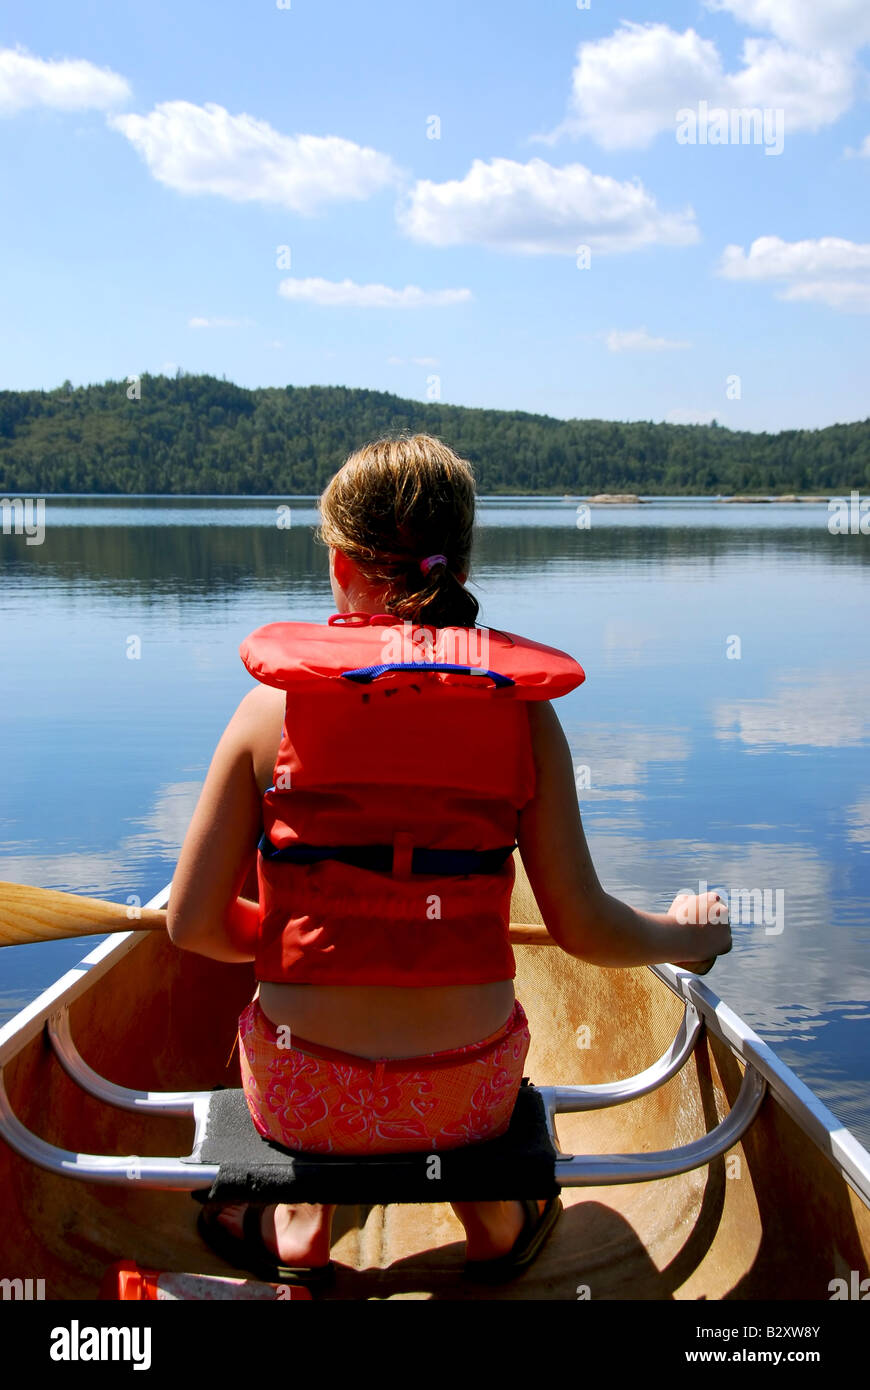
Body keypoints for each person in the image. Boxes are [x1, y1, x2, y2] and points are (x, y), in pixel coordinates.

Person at [167, 433, 731, 1287]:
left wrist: (303, 937)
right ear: (461, 562)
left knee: (269, 1023)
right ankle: (495, 1219)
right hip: (467, 1099)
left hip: (302, 1095)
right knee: (486, 1062)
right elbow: (585, 927)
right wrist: (680, 934)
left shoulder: (269, 711)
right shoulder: (522, 716)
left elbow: (192, 924)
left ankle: (298, 1224)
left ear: (338, 564)